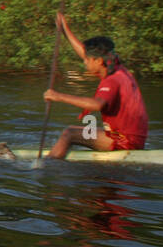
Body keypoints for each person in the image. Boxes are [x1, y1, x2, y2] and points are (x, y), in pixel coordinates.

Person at [43, 15, 149, 158]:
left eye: (87, 60)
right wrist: (65, 30)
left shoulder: (112, 80)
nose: (84, 62)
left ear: (98, 61)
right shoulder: (114, 66)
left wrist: (58, 96)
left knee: (70, 133)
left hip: (125, 140)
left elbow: (98, 104)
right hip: (130, 137)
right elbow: (84, 52)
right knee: (83, 131)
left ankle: (47, 167)